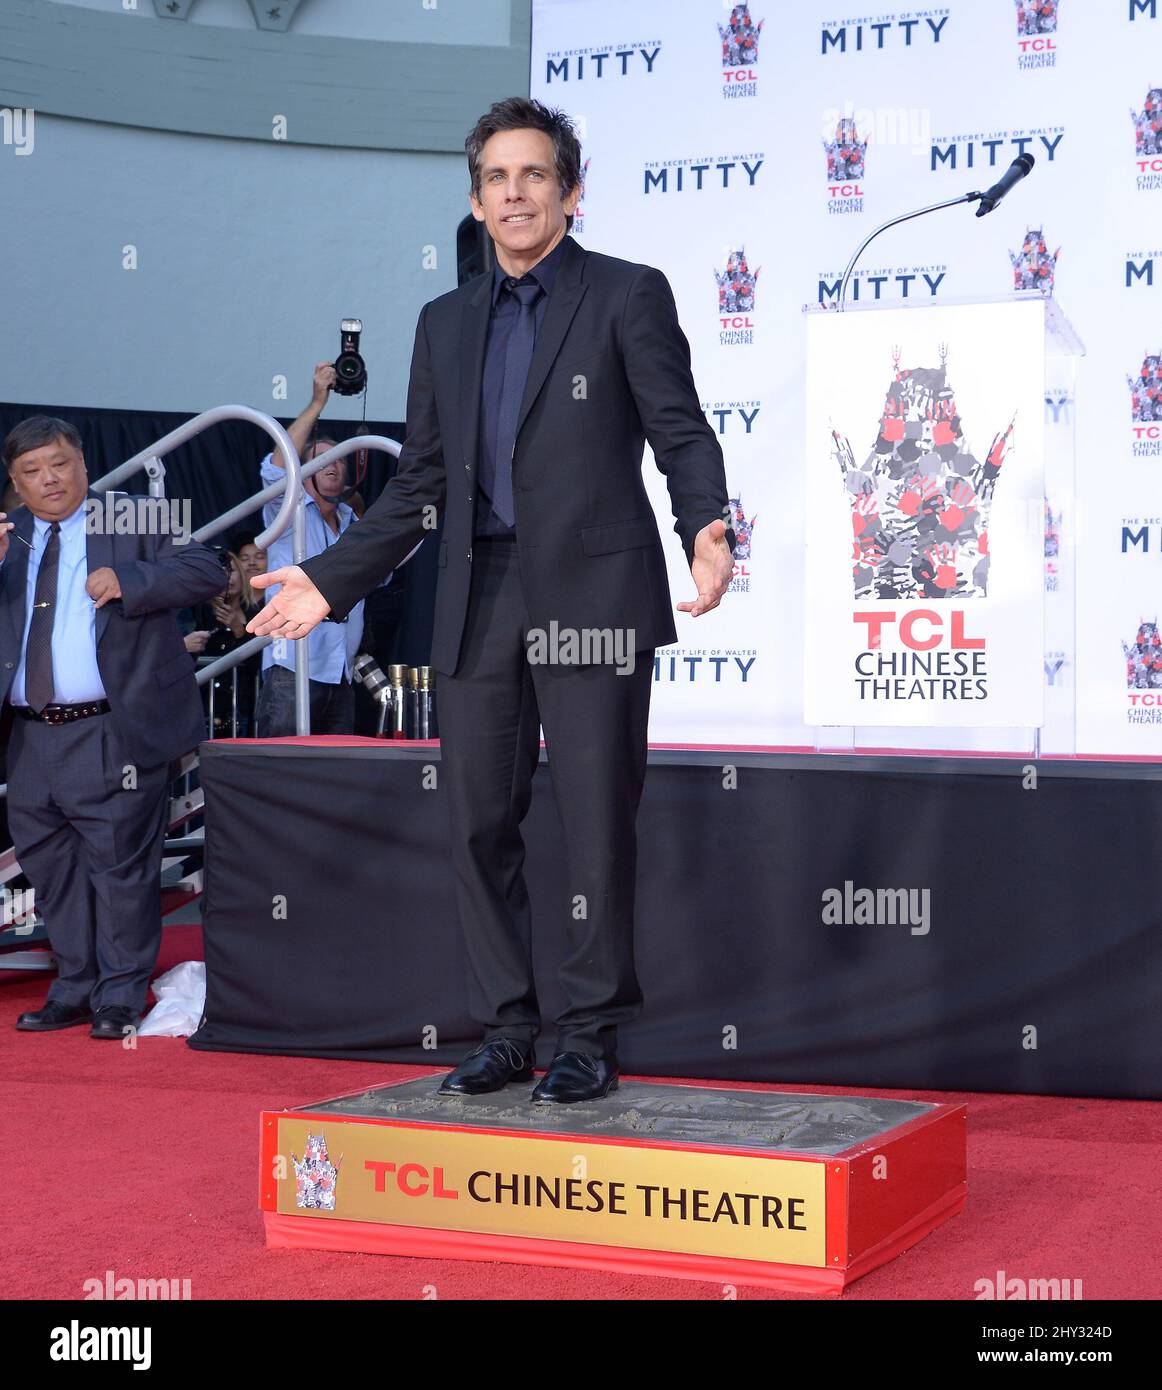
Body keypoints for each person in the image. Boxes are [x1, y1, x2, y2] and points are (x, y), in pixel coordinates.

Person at [249, 98, 735, 1103]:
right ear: (475, 201)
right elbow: (419, 484)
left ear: (569, 190)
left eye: (534, 175)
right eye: (497, 179)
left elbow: (679, 430)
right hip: (480, 594)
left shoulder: (627, 295)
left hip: (595, 591)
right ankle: (508, 1025)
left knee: (596, 821)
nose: (515, 193)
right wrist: (328, 582)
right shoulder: (444, 322)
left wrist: (705, 524)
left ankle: (591, 1031)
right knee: (476, 821)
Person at [0, 416, 224, 1037]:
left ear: (83, 464)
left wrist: (134, 580)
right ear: (15, 485)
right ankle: (72, 986)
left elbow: (209, 569)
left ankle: (120, 994)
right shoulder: (7, 536)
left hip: (112, 728)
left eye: (59, 463)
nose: (50, 479)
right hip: (27, 735)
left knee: (121, 864)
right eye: (32, 471)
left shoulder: (134, 517)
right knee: (49, 867)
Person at [253, 364, 392, 736]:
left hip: (340, 672)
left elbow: (383, 569)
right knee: (280, 774)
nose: (334, 465)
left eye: (341, 459)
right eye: (322, 459)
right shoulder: (288, 511)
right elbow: (277, 466)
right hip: (292, 668)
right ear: (307, 470)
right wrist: (318, 401)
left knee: (330, 780)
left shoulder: (355, 525)